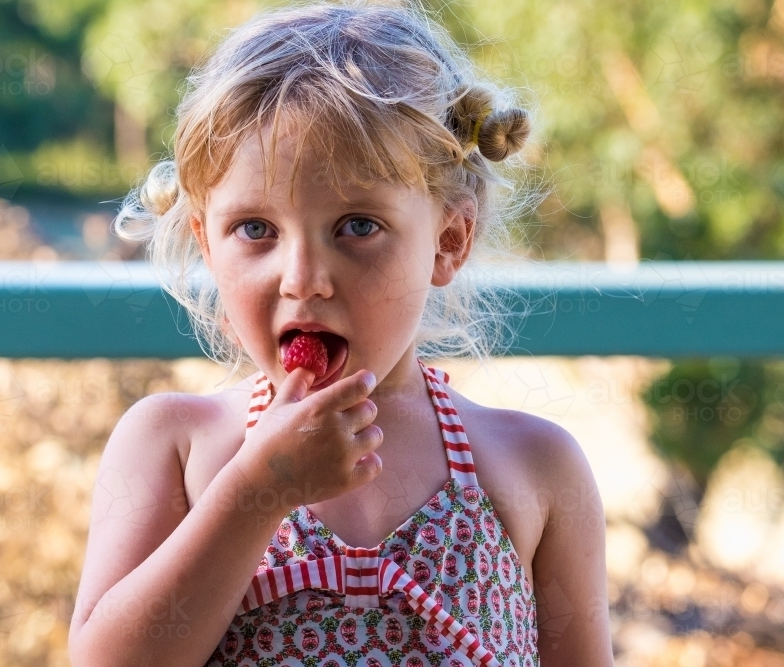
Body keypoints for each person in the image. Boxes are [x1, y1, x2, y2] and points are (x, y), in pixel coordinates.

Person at [68, 1, 613, 666]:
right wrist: (254, 492)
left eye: (357, 225)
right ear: (205, 244)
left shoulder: (535, 467)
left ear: (448, 240)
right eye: (256, 229)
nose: (303, 279)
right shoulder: (173, 447)